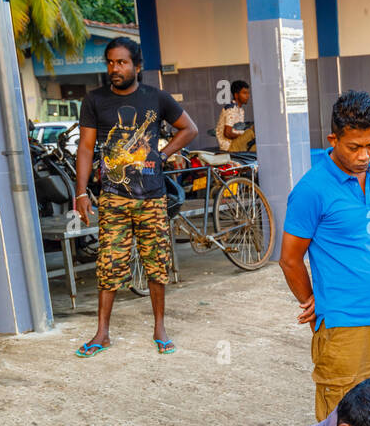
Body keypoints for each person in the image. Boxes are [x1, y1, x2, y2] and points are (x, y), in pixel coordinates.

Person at [279, 91, 370, 419]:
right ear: (333, 139)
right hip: (343, 326)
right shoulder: (312, 189)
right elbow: (290, 259)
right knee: (343, 425)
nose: (364, 155)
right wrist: (312, 299)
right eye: (354, 146)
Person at [74, 37, 197, 357]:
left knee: (157, 264)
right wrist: (81, 193)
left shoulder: (156, 98)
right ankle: (102, 332)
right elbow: (85, 148)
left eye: (122, 62)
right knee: (109, 265)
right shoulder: (94, 100)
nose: (114, 68)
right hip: (113, 198)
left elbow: (189, 128)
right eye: (110, 62)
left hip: (152, 198)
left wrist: (163, 153)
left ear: (137, 66)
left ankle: (160, 327)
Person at [216, 80, 256, 154]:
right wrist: (243, 135)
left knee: (256, 146)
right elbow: (227, 133)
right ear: (236, 95)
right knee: (253, 130)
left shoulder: (240, 110)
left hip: (237, 143)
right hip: (230, 147)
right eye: (244, 93)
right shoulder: (231, 109)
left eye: (248, 93)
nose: (247, 96)